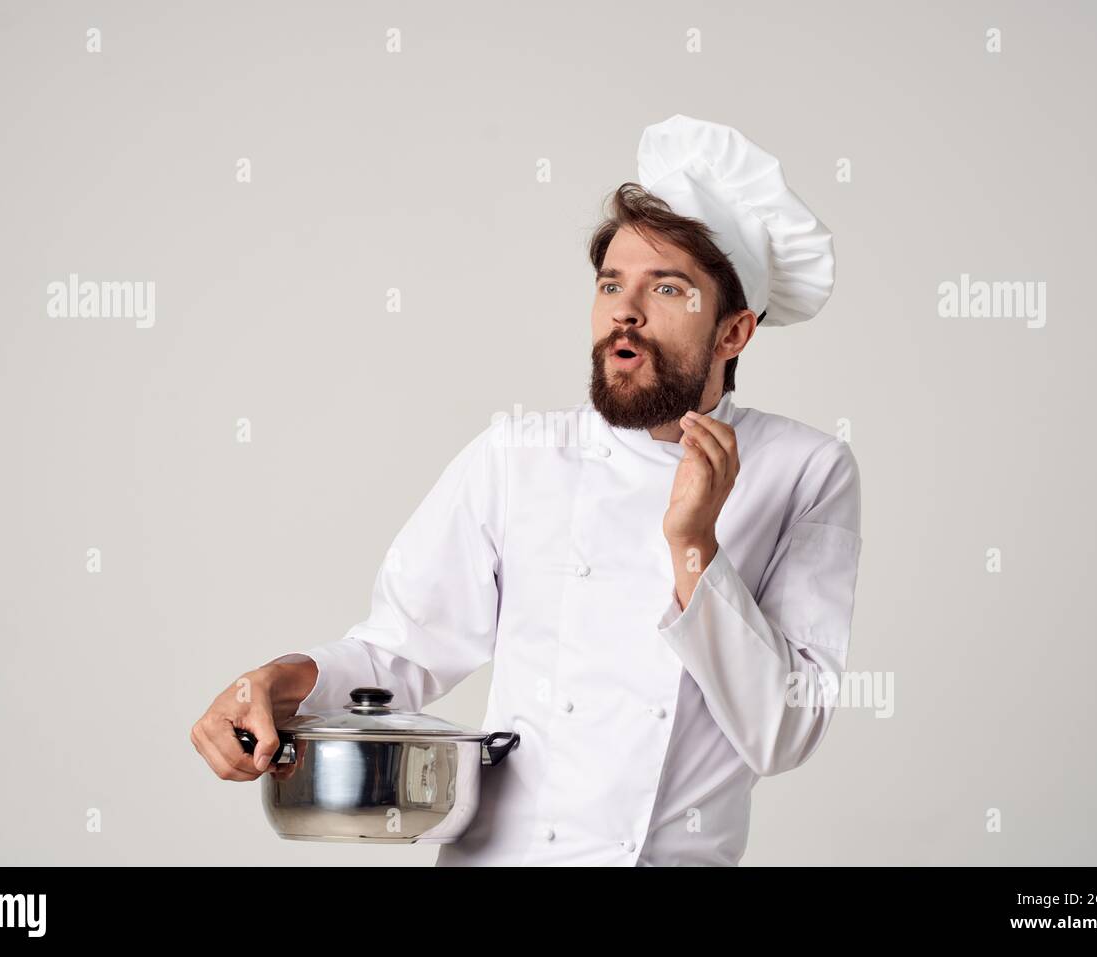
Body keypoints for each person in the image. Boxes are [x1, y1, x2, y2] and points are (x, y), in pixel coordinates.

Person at [191, 114, 863, 866]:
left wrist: (695, 548)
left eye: (667, 287)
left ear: (734, 332)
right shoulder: (519, 455)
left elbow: (784, 732)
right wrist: (275, 682)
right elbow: (397, 652)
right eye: (612, 283)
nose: (624, 311)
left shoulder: (806, 469)